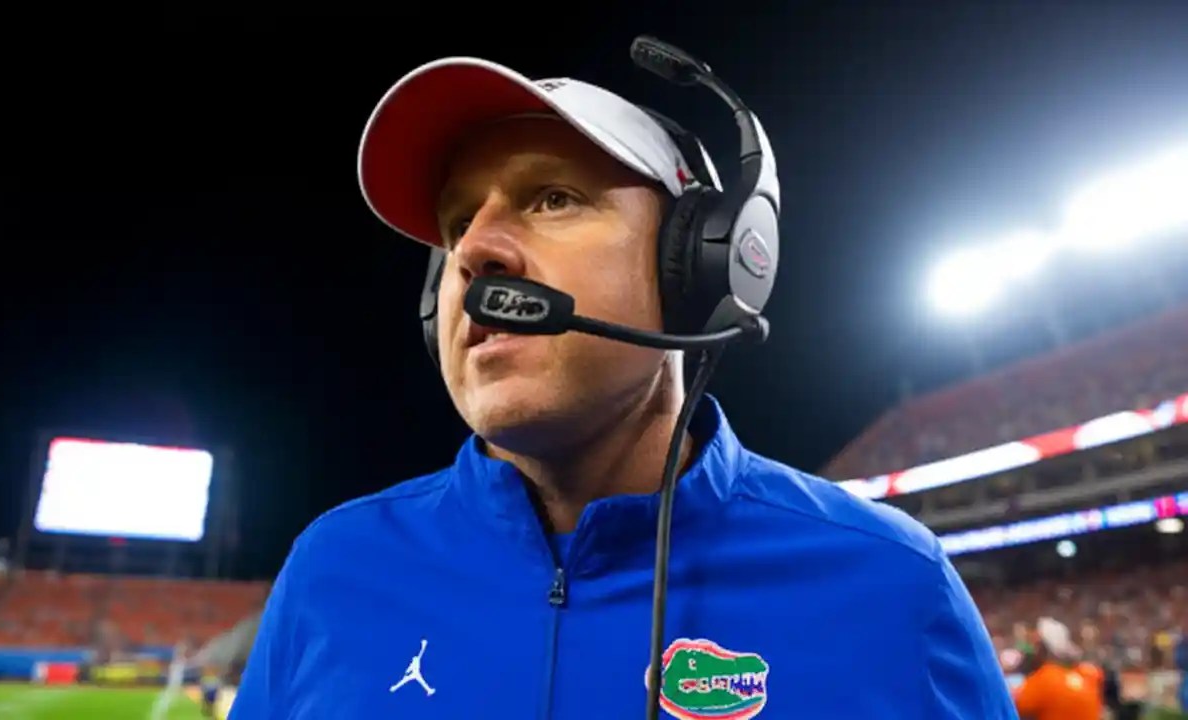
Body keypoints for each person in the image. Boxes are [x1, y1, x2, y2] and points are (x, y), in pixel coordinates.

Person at [230, 48, 1015, 719]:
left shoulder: (891, 584)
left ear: (698, 264)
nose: (475, 253)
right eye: (458, 223)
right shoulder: (332, 571)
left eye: (553, 199)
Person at [1014, 617, 1104, 720]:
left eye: (1036, 644)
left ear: (1044, 648)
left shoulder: (1045, 678)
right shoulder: (1087, 675)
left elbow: (1014, 707)